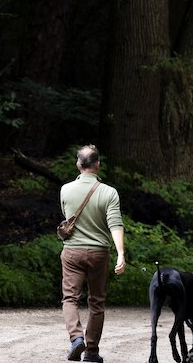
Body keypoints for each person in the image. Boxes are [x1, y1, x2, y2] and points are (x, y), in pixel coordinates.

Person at [59, 143, 125, 362]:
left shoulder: (66, 190)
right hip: (98, 253)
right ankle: (92, 352)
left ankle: (76, 338)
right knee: (96, 302)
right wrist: (121, 254)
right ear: (98, 165)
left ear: (78, 164)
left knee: (70, 298)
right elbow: (115, 224)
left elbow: (67, 217)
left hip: (72, 253)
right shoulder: (109, 193)